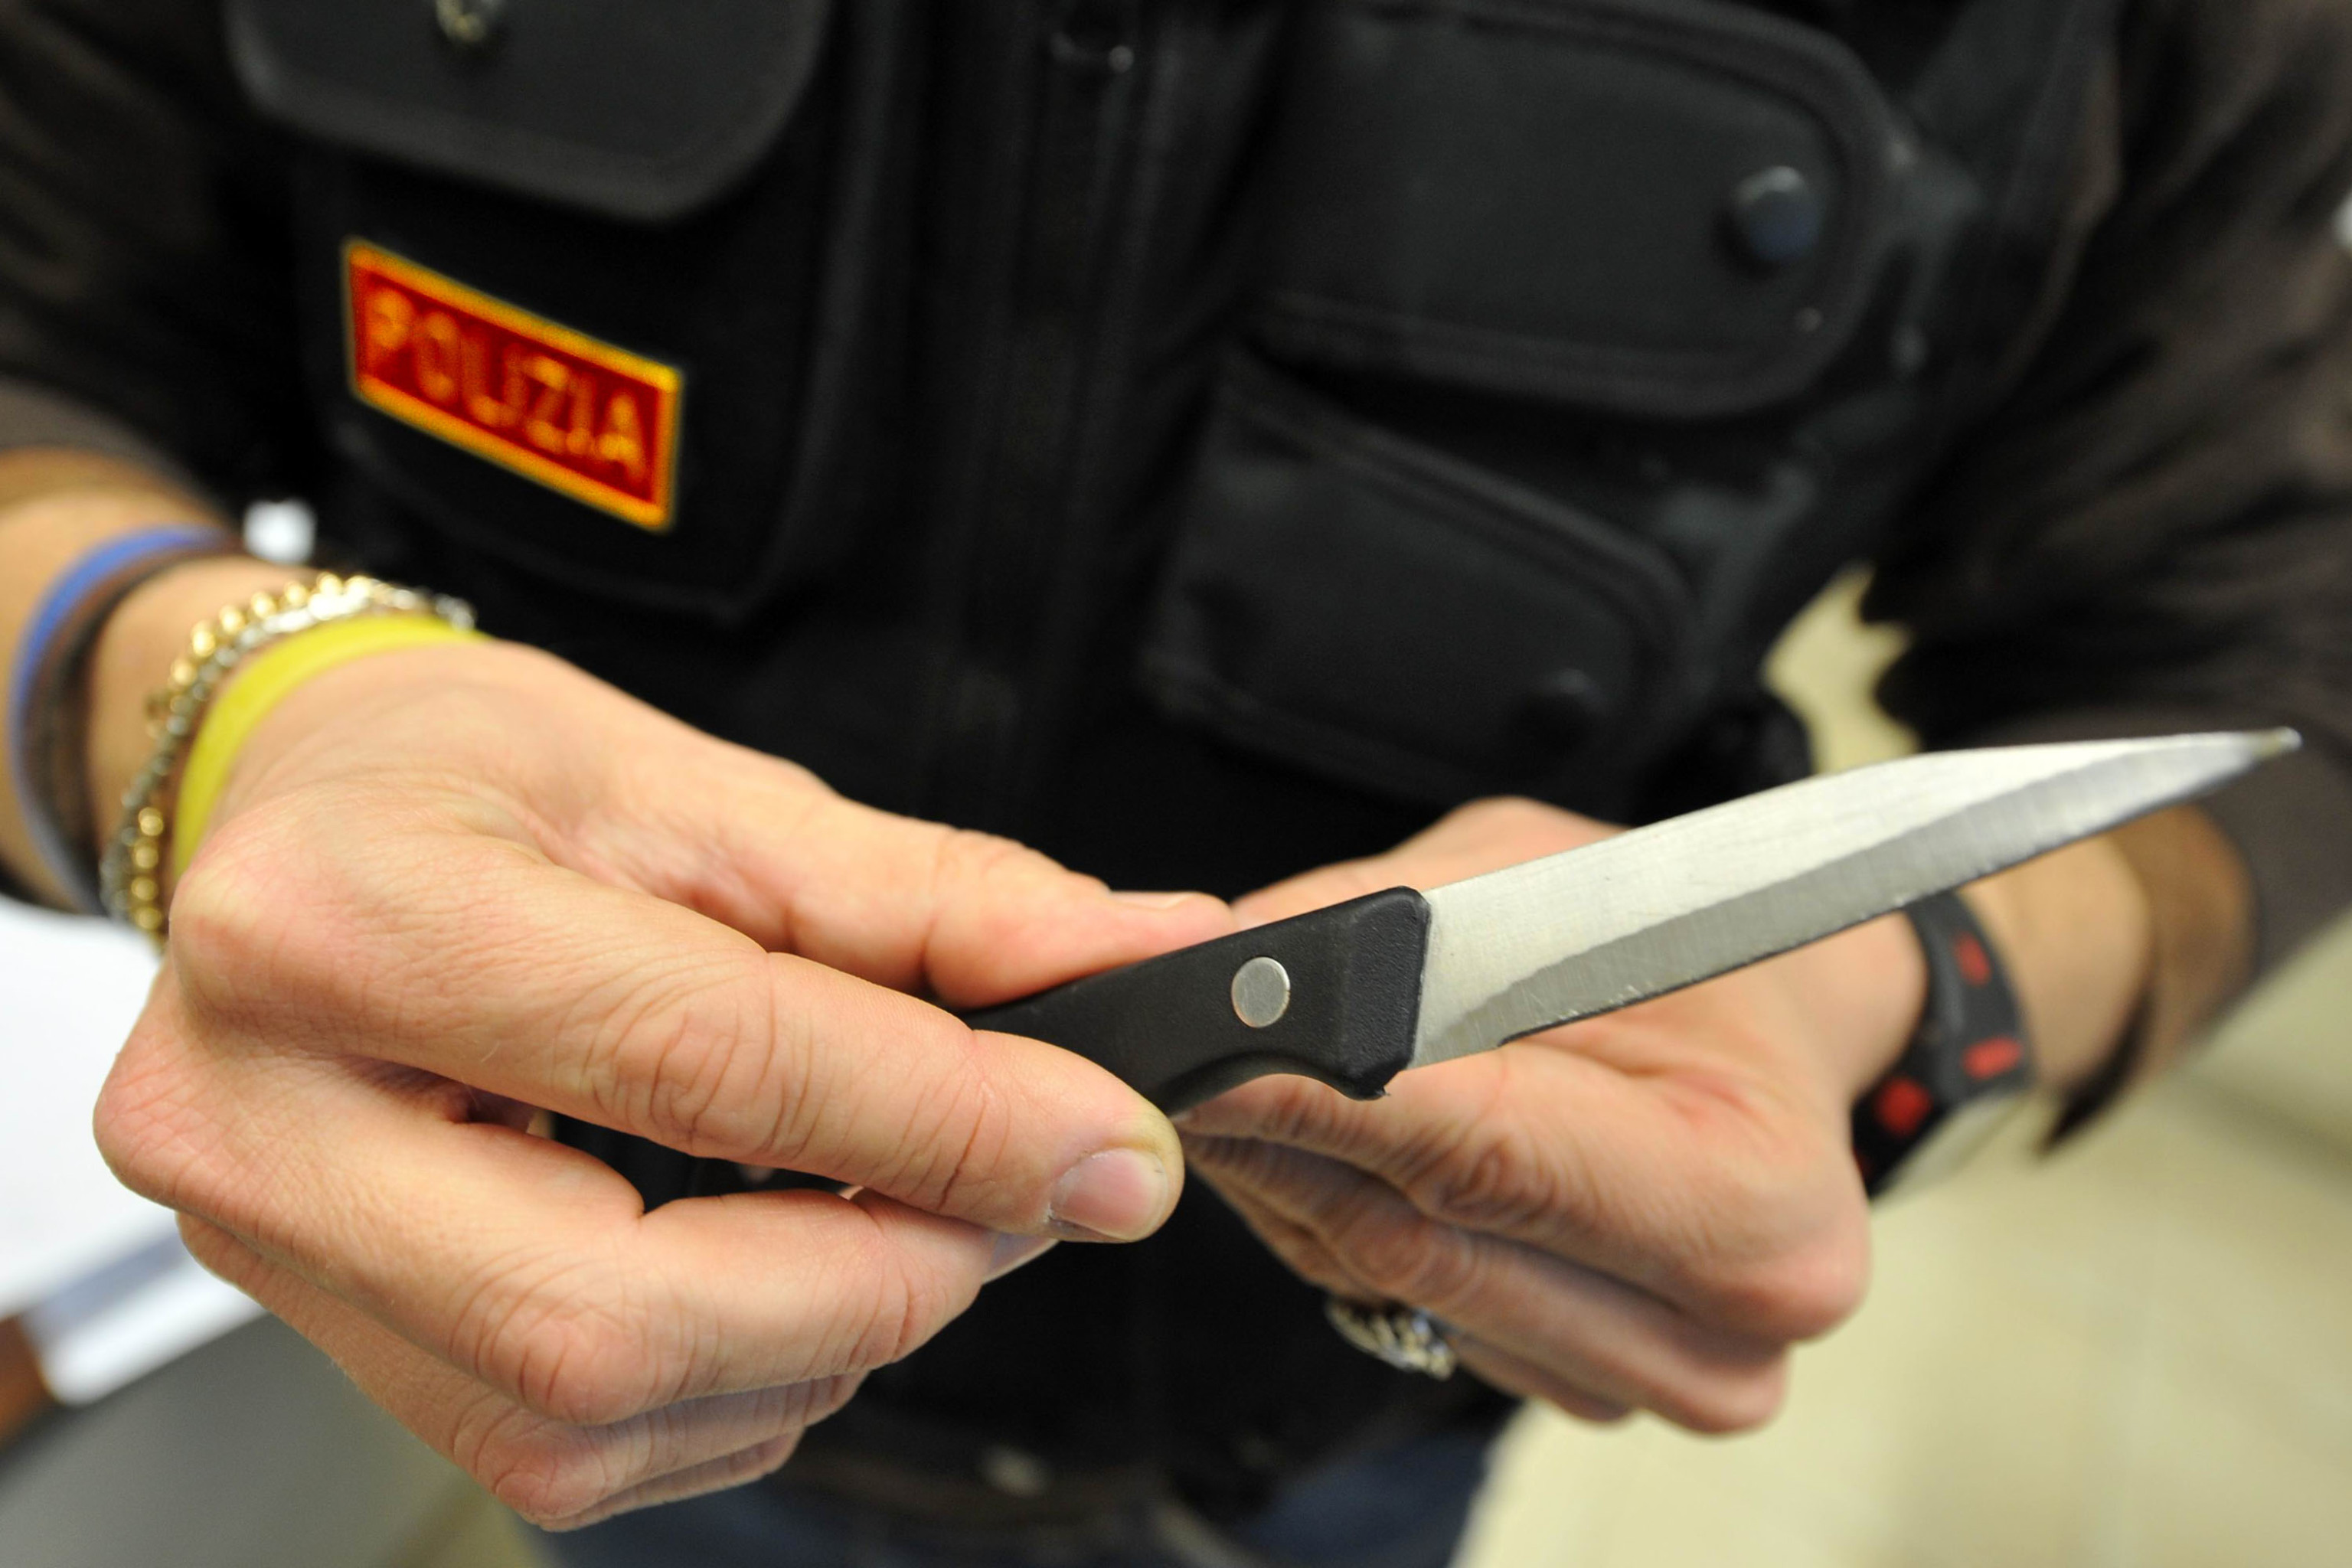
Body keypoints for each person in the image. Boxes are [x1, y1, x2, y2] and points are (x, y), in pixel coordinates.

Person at [3, 1, 2350, 1563]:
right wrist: (213, 715)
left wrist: (1922, 1005)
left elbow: (2269, 662)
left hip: (1335, 1432)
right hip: (561, 1337)